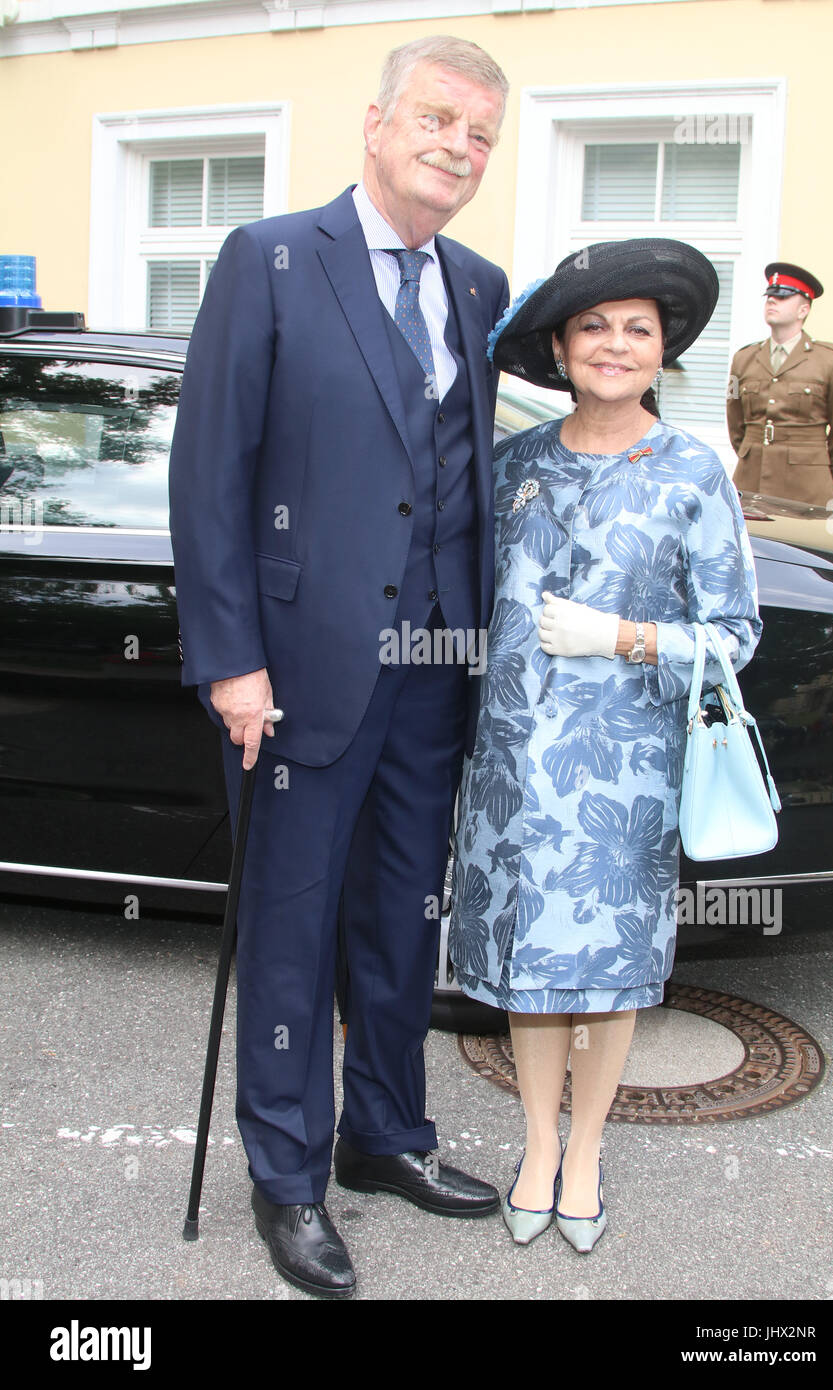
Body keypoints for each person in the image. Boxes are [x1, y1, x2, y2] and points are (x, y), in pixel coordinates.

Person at [168, 34, 510, 1299]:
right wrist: (231, 662)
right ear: (374, 125)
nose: (455, 148)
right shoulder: (268, 260)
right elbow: (209, 478)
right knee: (294, 927)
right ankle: (288, 1175)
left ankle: (384, 1135)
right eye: (434, 120)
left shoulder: (478, 286)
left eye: (478, 135)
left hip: (433, 669)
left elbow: (477, 478)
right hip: (301, 671)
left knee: (398, 921)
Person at [448, 239, 762, 1254]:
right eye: (593, 326)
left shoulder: (690, 473)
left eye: (636, 329)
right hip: (508, 763)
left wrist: (624, 636)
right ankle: (536, 1145)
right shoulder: (511, 465)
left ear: (662, 350)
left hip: (622, 776)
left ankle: (584, 1151)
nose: (614, 345)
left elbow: (734, 634)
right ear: (560, 345)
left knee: (608, 970)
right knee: (530, 971)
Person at [727, 262, 833, 506]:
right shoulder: (743, 358)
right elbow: (736, 424)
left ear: (803, 310)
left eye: (782, 297)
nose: (771, 302)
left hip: (806, 489)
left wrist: (820, 474)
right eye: (769, 296)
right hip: (750, 485)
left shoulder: (830, 360)